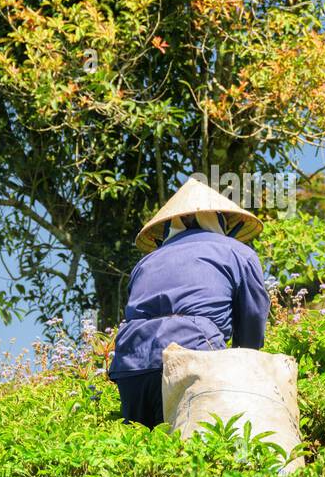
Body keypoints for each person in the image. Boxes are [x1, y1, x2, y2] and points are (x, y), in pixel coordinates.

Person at [108, 177, 271, 427]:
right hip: (194, 351)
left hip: (132, 363)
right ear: (219, 220)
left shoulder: (145, 263)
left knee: (142, 452)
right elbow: (252, 321)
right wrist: (242, 365)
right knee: (197, 446)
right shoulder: (238, 253)